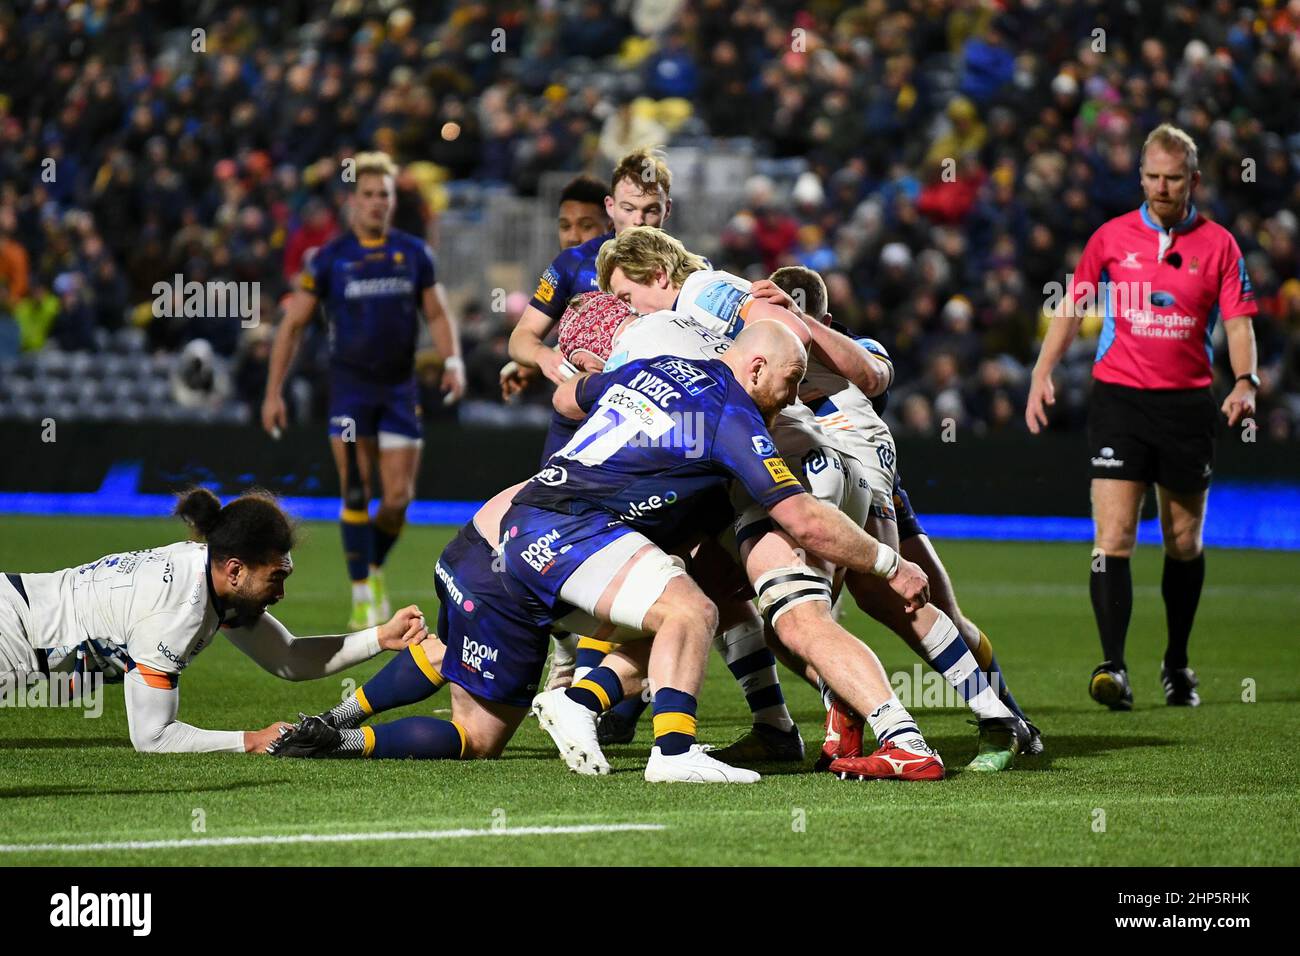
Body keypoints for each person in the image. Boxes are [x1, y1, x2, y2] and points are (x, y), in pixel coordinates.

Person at [272, 322, 933, 783]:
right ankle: (673, 751)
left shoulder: (650, 368)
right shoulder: (732, 412)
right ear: (755, 367)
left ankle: (340, 728)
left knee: (482, 728)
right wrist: (887, 561)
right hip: (566, 529)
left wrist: (582, 379)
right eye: (790, 382)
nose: (792, 399)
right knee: (690, 611)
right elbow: (802, 519)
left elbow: (568, 394)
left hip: (506, 539)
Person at [757, 265, 1041, 771]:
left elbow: (871, 378)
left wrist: (800, 320)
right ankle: (848, 712)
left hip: (867, 475)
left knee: (907, 603)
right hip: (814, 473)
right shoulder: (760, 347)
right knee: (792, 617)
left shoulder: (853, 344)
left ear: (824, 315)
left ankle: (1006, 720)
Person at [1026, 124, 1259, 709]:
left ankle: (1177, 663)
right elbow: (1072, 303)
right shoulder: (1111, 237)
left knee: (1183, 540)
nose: (1161, 187)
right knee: (1114, 537)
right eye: (1152, 176)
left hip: (1186, 405)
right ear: (1141, 177)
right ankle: (1114, 668)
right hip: (1119, 400)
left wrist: (1246, 381)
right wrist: (1041, 372)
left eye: (1172, 178)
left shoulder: (1221, 246)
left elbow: (1238, 323)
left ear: (1193, 180)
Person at [0, 488, 428, 754]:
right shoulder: (179, 610)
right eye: (275, 579)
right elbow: (152, 739)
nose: (280, 595)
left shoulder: (211, 577)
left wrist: (379, 636)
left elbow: (289, 658)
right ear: (237, 570)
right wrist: (251, 739)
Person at [260, 152, 465, 630]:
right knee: (356, 490)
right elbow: (292, 326)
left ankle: (370, 565)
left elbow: (435, 313)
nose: (377, 203)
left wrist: (451, 359)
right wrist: (274, 392)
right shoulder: (330, 258)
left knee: (397, 498)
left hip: (399, 389)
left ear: (393, 203)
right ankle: (362, 593)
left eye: (384, 195)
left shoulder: (413, 253)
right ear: (353, 202)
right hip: (350, 391)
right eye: (368, 195)